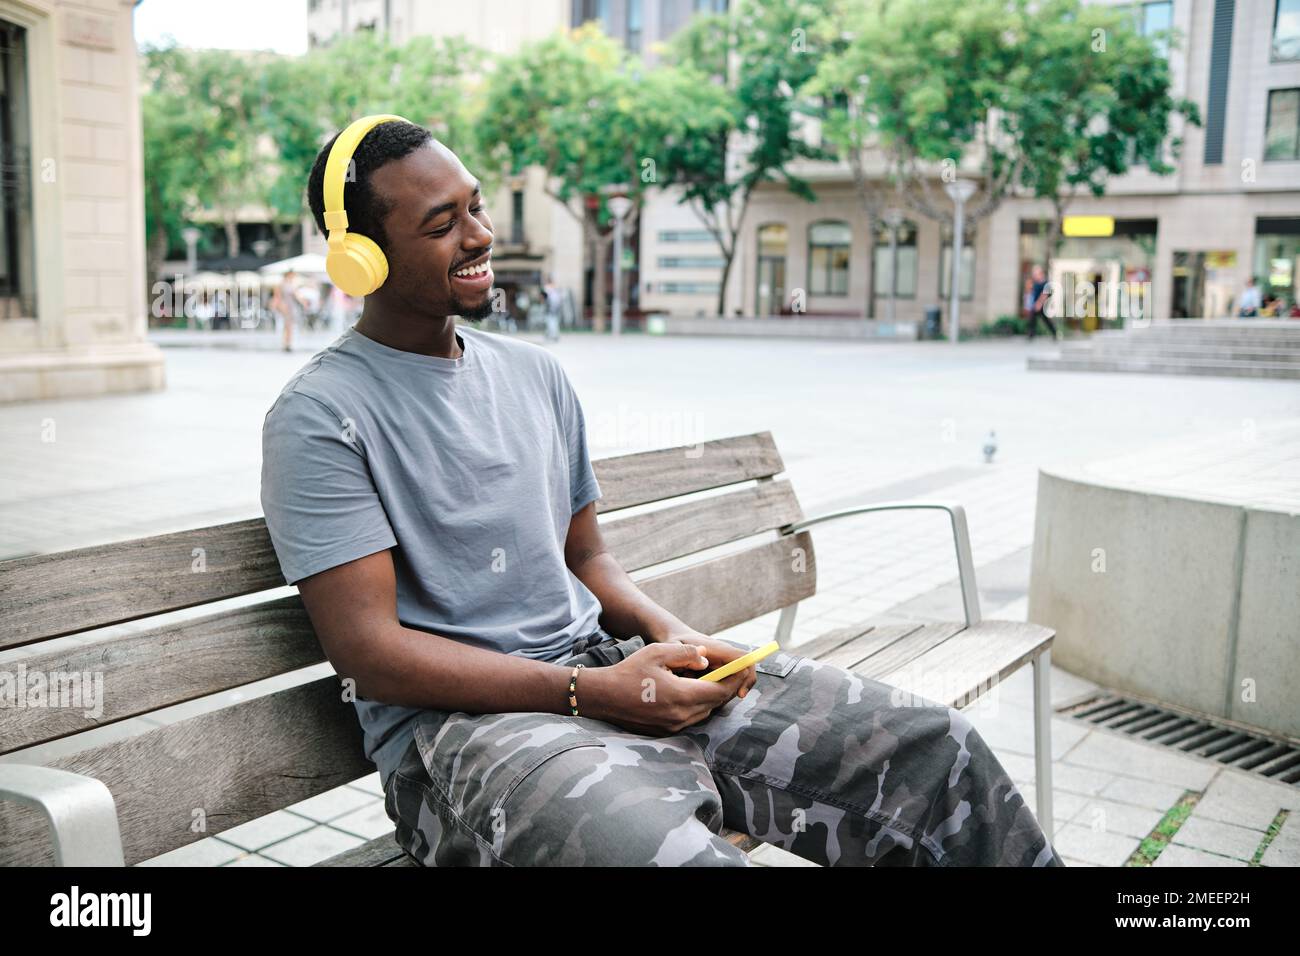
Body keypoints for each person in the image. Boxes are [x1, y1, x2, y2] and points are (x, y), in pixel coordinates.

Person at [259, 117, 1064, 867]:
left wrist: (677, 639)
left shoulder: (535, 374)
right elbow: (370, 654)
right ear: (358, 257)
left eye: (476, 208)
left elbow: (586, 557)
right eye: (441, 225)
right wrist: (585, 692)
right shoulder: (322, 416)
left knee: (936, 748)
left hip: (609, 671)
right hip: (465, 738)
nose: (478, 237)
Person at [271, 268, 304, 351]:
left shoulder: (292, 284)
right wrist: (277, 306)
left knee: (289, 326)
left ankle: (287, 343)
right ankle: (287, 343)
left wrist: (303, 302)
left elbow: (297, 295)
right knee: (288, 326)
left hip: (292, 307)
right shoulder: (281, 284)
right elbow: (277, 296)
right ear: (289, 274)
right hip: (285, 306)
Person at [1026, 264, 1059, 341]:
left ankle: (1054, 333)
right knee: (1033, 318)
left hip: (1043, 306)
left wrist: (1039, 304)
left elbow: (1044, 295)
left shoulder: (1045, 283)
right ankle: (1031, 334)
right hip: (1037, 305)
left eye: (1035, 273)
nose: (1034, 275)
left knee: (1045, 320)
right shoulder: (1036, 283)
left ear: (1040, 273)